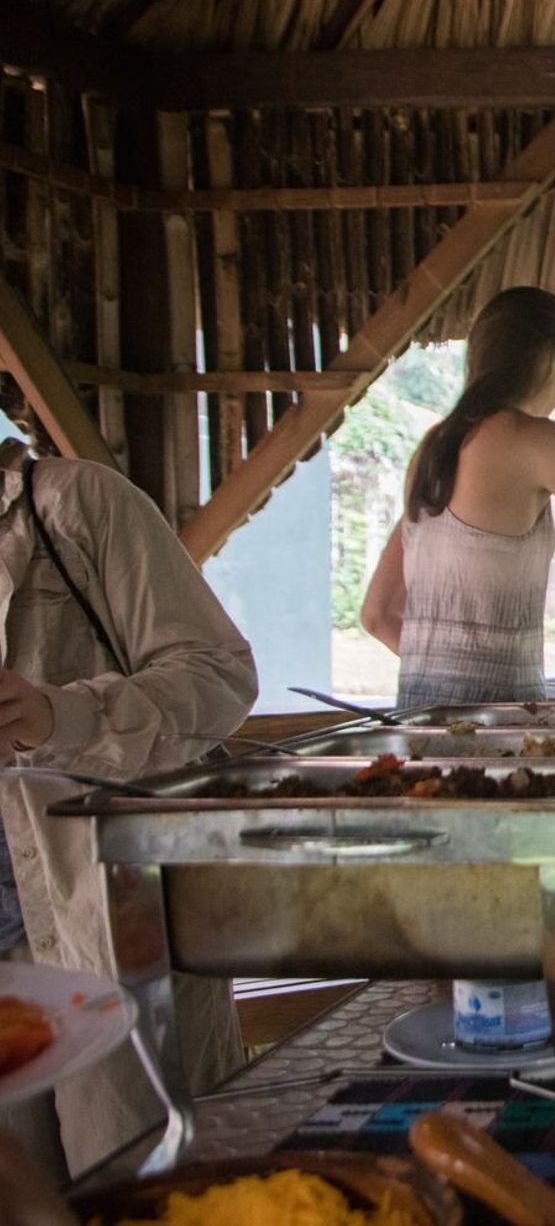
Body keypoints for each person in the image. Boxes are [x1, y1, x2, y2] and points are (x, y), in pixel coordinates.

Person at [0, 393, 258, 1176]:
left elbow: (218, 679)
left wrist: (58, 715)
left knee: (146, 1180)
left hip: (101, 931)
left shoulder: (74, 508)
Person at [362, 287, 555, 706]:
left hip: (418, 730)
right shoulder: (542, 443)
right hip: (503, 737)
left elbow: (377, 615)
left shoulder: (432, 449)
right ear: (547, 359)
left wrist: (451, 679)